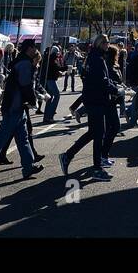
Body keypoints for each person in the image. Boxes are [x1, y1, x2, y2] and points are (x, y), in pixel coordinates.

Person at [0, 39, 43, 184]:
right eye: (33, 47)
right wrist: (32, 100)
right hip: (15, 106)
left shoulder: (21, 62)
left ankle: (28, 166)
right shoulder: (25, 64)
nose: (35, 50)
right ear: (29, 49)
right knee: (1, 140)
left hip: (15, 105)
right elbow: (26, 85)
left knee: (22, 138)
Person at [60, 34, 118, 181]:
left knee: (94, 133)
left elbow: (98, 79)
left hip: (93, 99)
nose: (108, 44)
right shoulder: (97, 59)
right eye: (105, 42)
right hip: (96, 100)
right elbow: (102, 81)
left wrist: (112, 86)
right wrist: (115, 89)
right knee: (98, 134)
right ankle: (96, 168)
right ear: (100, 43)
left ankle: (68, 155)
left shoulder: (93, 57)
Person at [41, 45, 64, 123]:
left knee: (50, 98)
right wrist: (66, 68)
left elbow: (54, 69)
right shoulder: (52, 58)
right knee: (57, 96)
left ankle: (46, 117)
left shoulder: (48, 58)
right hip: (50, 80)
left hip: (48, 79)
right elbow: (56, 68)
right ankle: (50, 116)